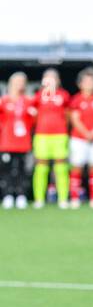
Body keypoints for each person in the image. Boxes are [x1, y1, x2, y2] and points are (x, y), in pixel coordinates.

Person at [32, 68, 70, 208]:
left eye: (53, 77)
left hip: (60, 135)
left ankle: (63, 199)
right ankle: (39, 199)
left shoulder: (64, 95)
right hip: (42, 135)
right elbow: (33, 115)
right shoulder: (37, 96)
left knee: (61, 167)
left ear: (58, 80)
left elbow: (68, 115)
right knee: (41, 167)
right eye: (47, 78)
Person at [68, 67, 93, 208]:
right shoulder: (76, 99)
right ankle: (75, 198)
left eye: (92, 82)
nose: (89, 84)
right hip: (79, 138)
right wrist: (86, 133)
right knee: (76, 167)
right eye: (86, 81)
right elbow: (75, 119)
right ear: (80, 83)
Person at [0, 72, 36, 209]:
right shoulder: (4, 100)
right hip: (7, 141)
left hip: (23, 141)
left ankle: (21, 195)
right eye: (17, 81)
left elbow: (34, 121)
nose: (20, 84)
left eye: (22, 82)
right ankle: (8, 195)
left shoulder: (28, 101)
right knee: (7, 170)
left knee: (22, 169)